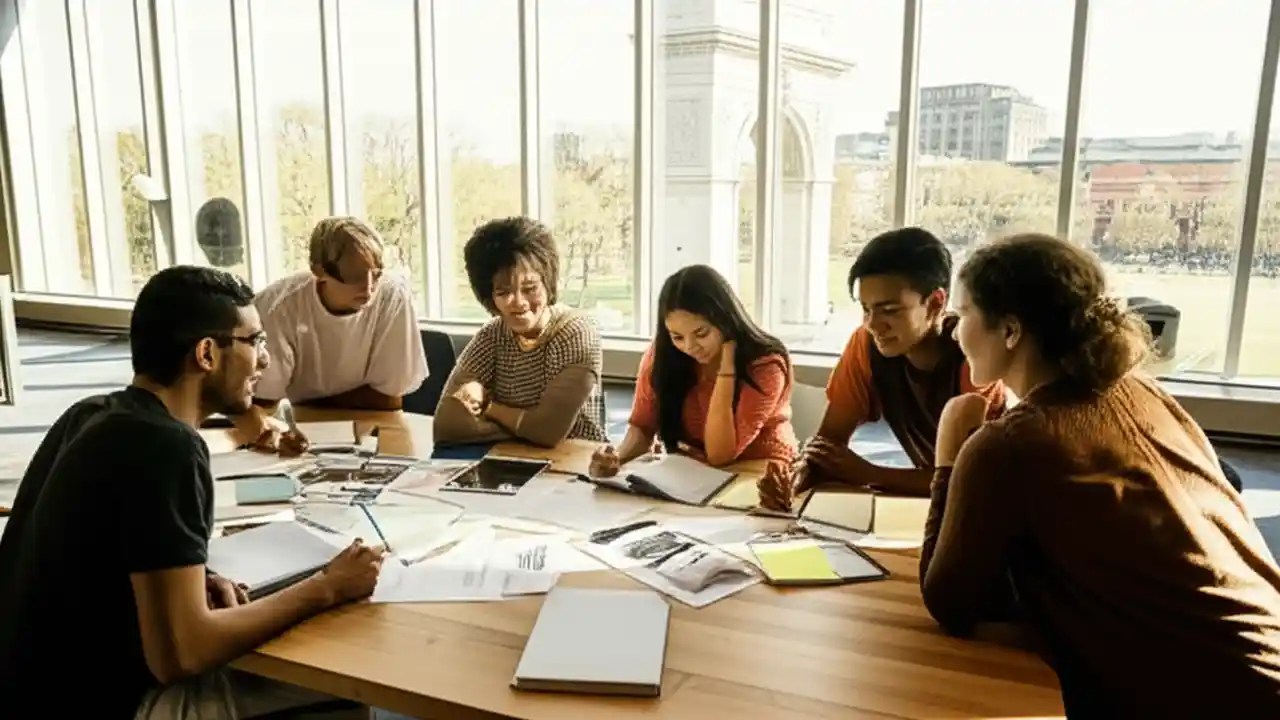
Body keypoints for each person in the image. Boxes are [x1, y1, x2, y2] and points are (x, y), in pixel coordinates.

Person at [0, 266, 384, 718]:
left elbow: (88, 558)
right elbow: (182, 654)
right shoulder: (170, 449)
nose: (263, 361)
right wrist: (328, 587)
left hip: (28, 689)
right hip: (110, 704)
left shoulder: (91, 415)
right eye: (254, 341)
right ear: (206, 353)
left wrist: (191, 582)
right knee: (347, 694)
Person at [922, 233, 1280, 716]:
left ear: (1010, 330)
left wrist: (949, 454)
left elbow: (948, 602)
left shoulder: (1010, 443)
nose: (951, 332)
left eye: (962, 316)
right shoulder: (1142, 392)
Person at [763, 228, 1005, 509]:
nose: (874, 325)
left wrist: (871, 475)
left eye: (890, 310)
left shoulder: (971, 358)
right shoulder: (866, 344)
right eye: (866, 309)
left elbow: (968, 480)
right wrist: (796, 477)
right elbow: (828, 446)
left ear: (936, 303)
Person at [234, 216, 427, 451]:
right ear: (319, 271)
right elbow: (262, 402)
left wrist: (304, 398)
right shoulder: (277, 307)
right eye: (353, 276)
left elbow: (389, 399)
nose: (368, 288)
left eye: (376, 274)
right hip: (302, 427)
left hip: (371, 426)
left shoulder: (392, 296)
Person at [591, 264, 797, 476]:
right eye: (677, 337)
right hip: (692, 475)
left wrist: (727, 366)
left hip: (762, 473)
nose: (689, 347)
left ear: (725, 320)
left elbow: (719, 455)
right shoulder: (664, 355)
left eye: (701, 333)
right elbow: (643, 428)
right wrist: (616, 457)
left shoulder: (765, 365)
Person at [434, 216, 608, 446]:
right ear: (489, 295)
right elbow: (446, 426)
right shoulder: (492, 335)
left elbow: (547, 432)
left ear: (548, 282)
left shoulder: (576, 332)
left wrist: (489, 407)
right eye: (503, 292)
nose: (518, 302)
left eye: (529, 288)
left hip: (577, 465)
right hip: (510, 459)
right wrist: (526, 426)